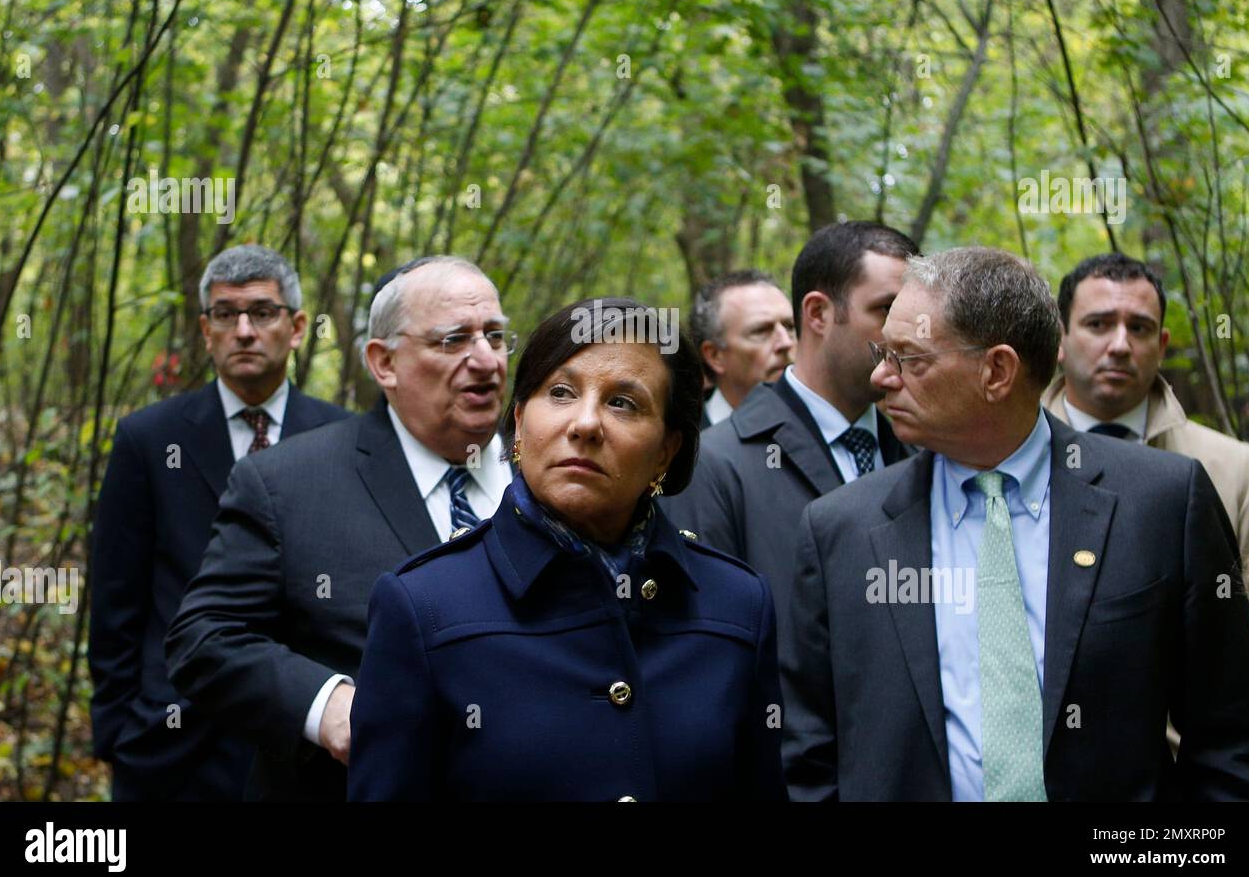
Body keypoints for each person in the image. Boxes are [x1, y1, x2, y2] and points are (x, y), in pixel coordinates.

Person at [783, 247, 1249, 801]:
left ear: (997, 371)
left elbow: (1233, 746)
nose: (881, 376)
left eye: (909, 358)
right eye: (883, 353)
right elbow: (810, 759)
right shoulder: (839, 532)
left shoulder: (1163, 503)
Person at [348, 298, 786, 801]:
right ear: (519, 422)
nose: (585, 423)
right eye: (560, 393)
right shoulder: (423, 606)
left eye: (623, 403)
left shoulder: (737, 605)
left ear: (666, 450)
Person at [166, 256, 513, 801]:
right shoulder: (287, 483)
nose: (486, 360)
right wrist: (327, 705)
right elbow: (204, 639)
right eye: (453, 340)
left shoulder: (554, 473)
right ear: (384, 362)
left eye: (495, 336)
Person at [88, 244, 349, 802]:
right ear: (206, 331)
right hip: (170, 743)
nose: (244, 331)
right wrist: (117, 730)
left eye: (262, 312)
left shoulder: (345, 439)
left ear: (297, 327)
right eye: (226, 315)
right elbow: (115, 598)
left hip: (305, 745)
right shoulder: (149, 439)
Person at [664, 220, 916, 650]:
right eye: (887, 310)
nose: (907, 334)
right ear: (818, 314)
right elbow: (703, 647)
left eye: (915, 315)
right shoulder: (714, 464)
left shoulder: (924, 453)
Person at [1043, 253, 1249, 709]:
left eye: (1140, 327)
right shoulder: (1011, 458)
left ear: (1162, 343)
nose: (1120, 345)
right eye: (1098, 324)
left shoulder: (1231, 467)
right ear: (1060, 338)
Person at [689, 270, 795, 428]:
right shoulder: (682, 439)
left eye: (790, 327)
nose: (786, 343)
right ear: (715, 356)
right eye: (761, 331)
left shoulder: (822, 422)